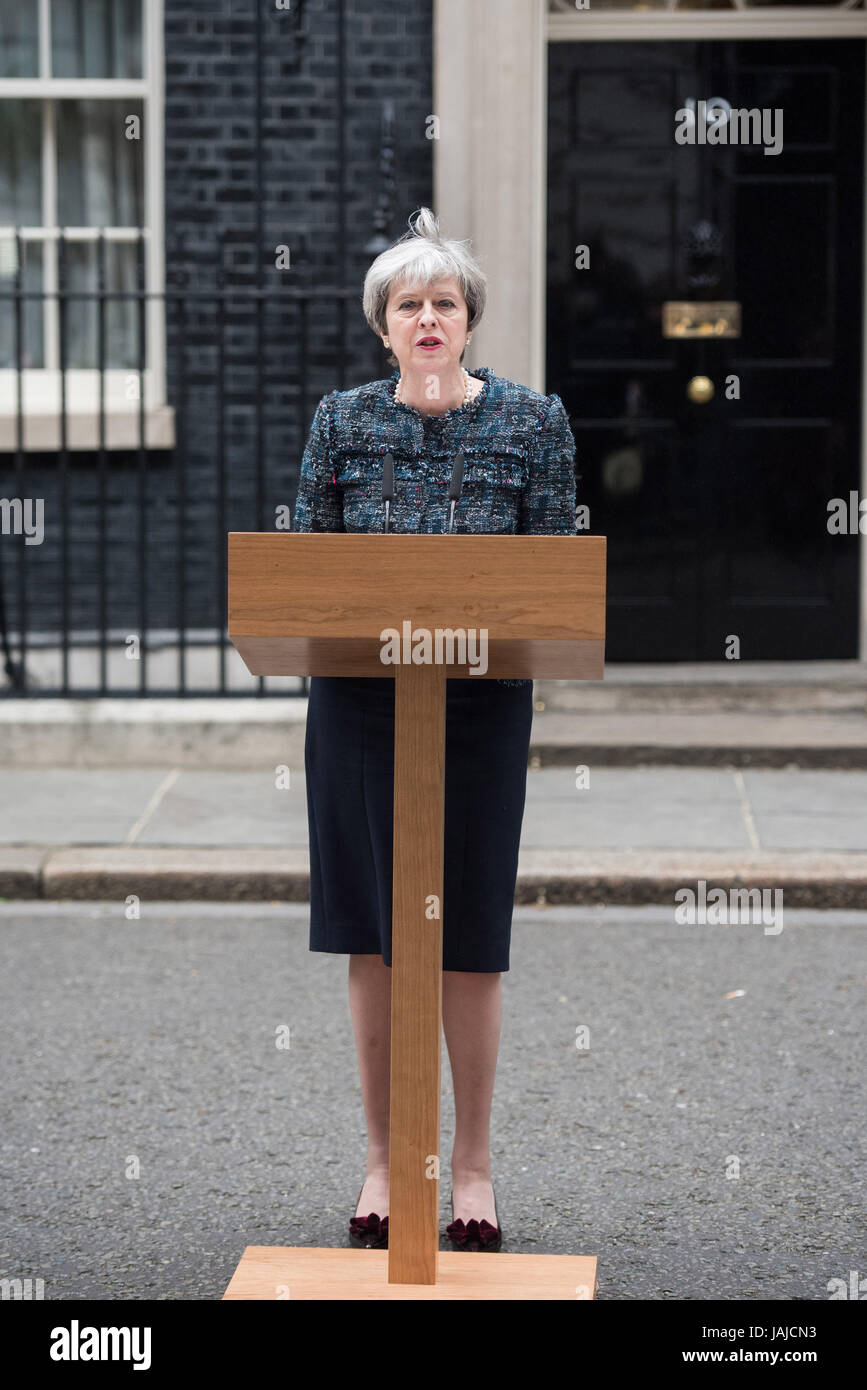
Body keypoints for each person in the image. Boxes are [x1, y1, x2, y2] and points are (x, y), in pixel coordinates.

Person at [293, 207, 577, 1252]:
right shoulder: (341, 420)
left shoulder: (535, 421)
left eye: (442, 304)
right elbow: (307, 569)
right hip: (363, 706)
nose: (426, 318)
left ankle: (473, 1169)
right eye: (407, 304)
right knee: (373, 931)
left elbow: (555, 570)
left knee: (468, 940)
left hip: (482, 709)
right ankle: (381, 1158)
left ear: (468, 322)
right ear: (383, 325)